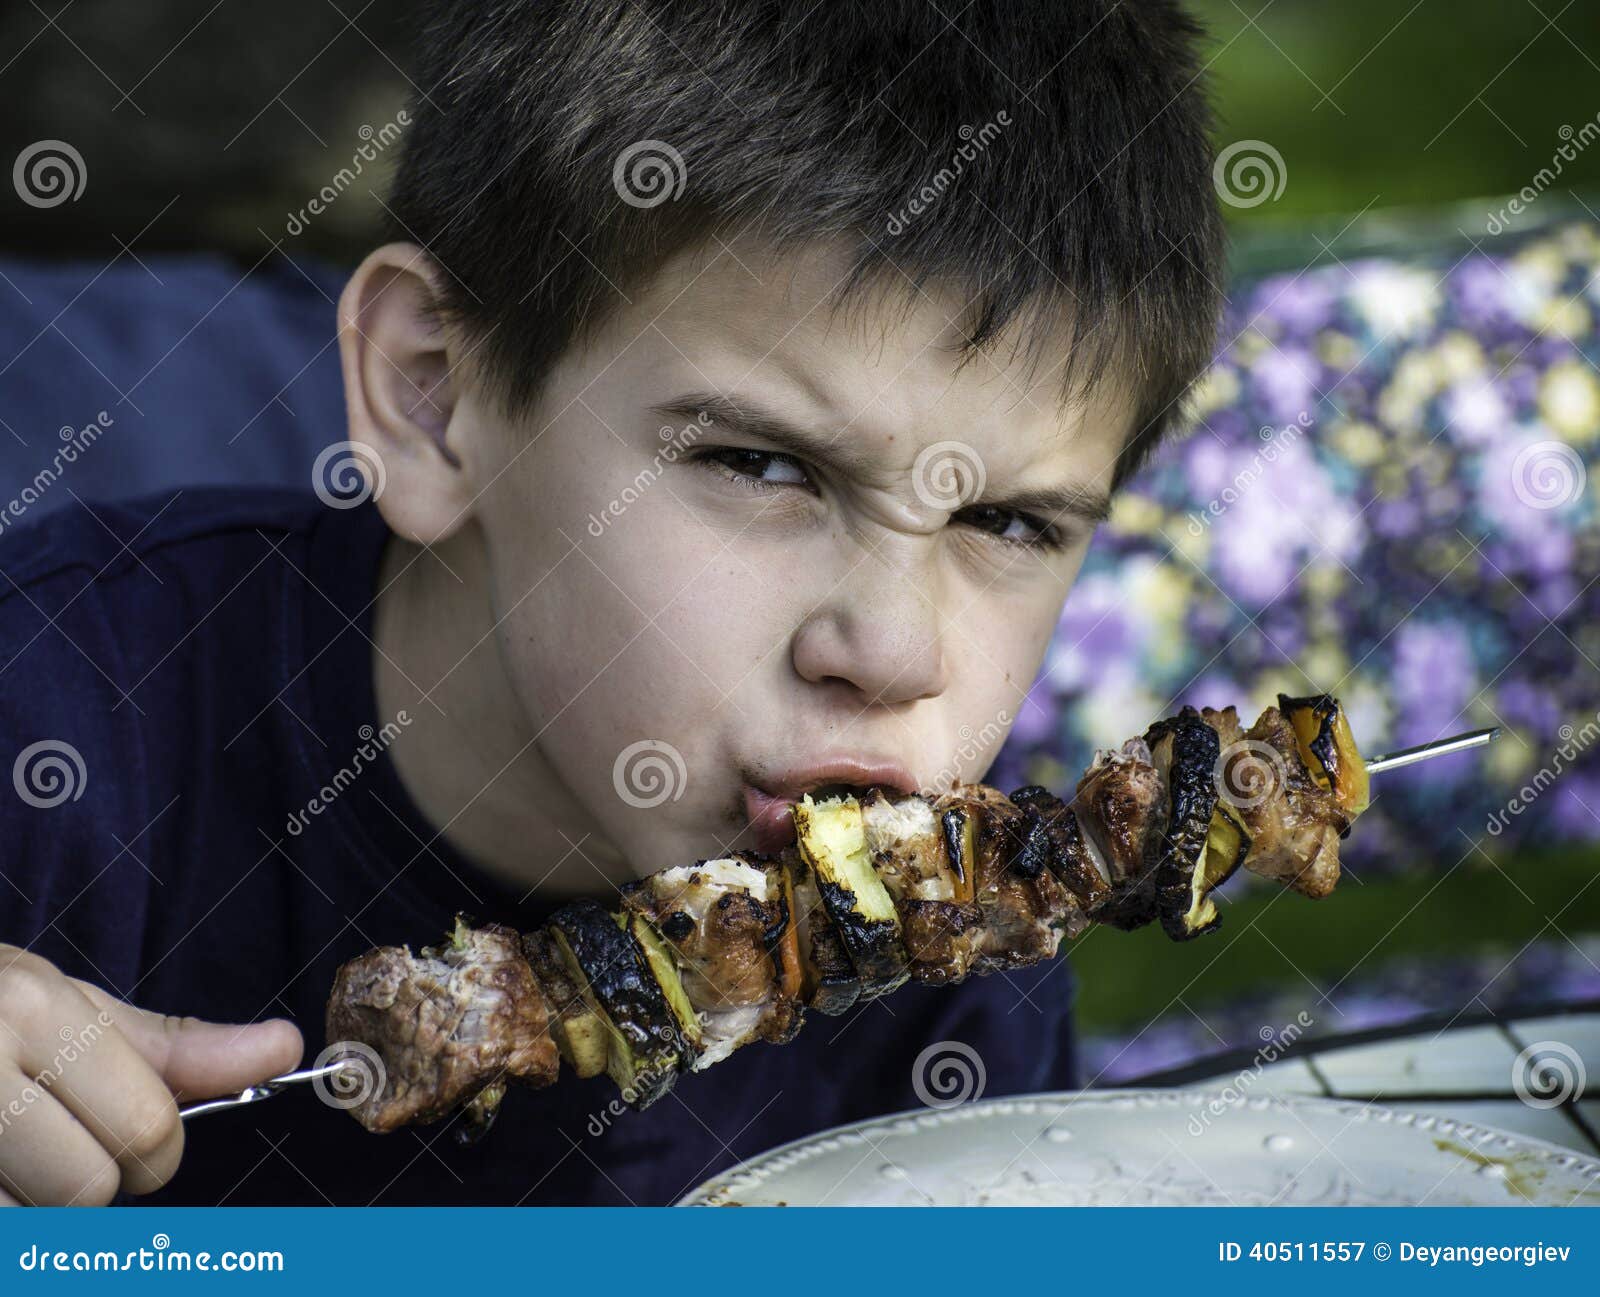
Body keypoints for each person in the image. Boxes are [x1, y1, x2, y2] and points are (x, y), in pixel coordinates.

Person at [0, 0, 1224, 1205]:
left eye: (1007, 523)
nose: (893, 653)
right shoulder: (53, 733)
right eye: (761, 465)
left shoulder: (954, 979)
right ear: (433, 397)